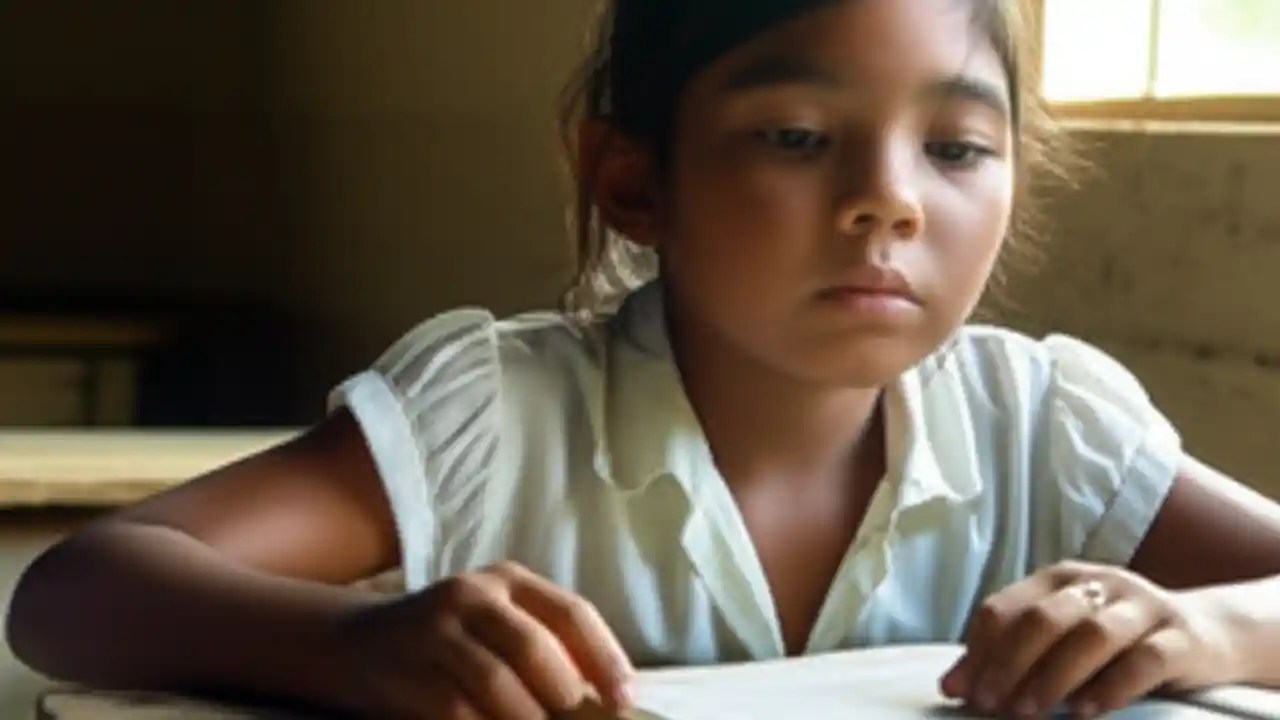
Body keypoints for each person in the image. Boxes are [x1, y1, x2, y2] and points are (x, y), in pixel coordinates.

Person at [9, 1, 1280, 718]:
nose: (887, 203)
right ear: (630, 180)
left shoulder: (1038, 420)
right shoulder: (500, 418)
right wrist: (351, 644)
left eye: (954, 150)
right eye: (793, 135)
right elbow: (74, 593)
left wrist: (1202, 629)